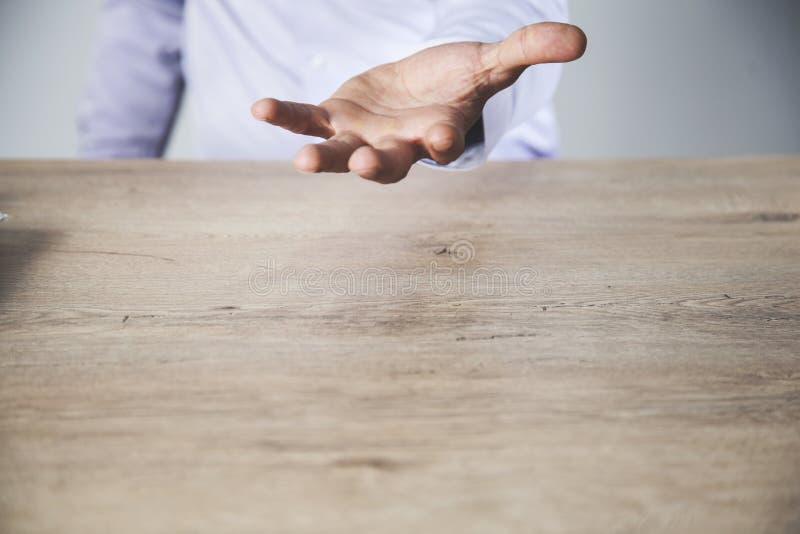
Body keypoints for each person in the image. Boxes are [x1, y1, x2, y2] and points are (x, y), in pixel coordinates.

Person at [78, 1, 586, 183]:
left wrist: (469, 64)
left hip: (472, 193)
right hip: (240, 194)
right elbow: (144, 19)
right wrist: (109, 176)